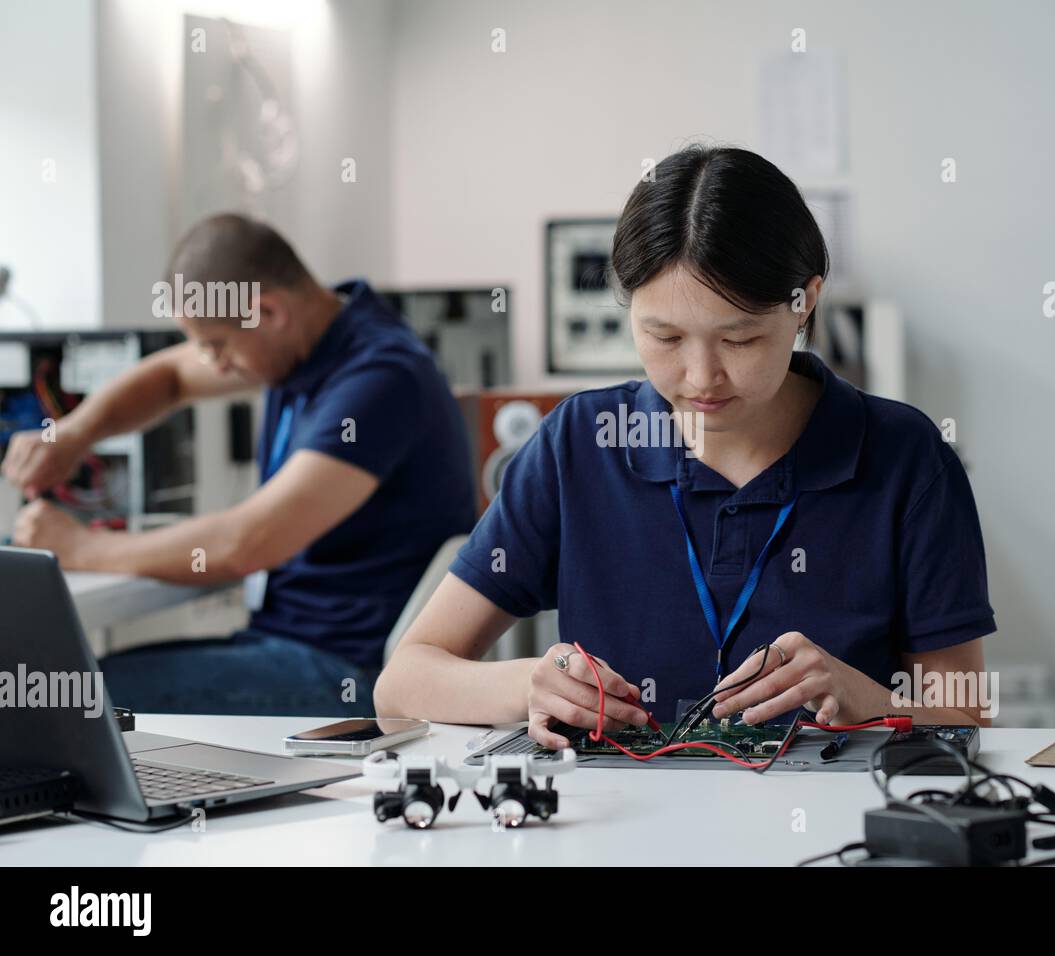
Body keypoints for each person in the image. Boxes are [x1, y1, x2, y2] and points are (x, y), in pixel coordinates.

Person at [376, 145, 996, 746]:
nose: (702, 378)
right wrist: (526, 685)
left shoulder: (905, 456)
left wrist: (864, 697)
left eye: (740, 339)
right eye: (665, 336)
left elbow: (965, 714)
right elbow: (402, 684)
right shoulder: (579, 446)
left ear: (806, 302)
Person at [4, 213, 475, 715]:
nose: (215, 365)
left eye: (217, 346)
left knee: (57, 696)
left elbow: (244, 543)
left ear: (267, 313)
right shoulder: (314, 340)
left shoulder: (380, 377)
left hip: (349, 670)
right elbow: (170, 378)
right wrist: (74, 433)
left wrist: (81, 546)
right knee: (68, 679)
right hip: (285, 643)